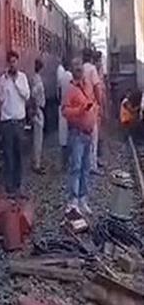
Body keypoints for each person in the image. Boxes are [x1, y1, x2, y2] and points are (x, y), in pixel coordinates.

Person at [62, 57, 96, 215]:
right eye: (76, 67)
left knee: (85, 168)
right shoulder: (70, 90)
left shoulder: (87, 86)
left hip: (88, 133)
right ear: (72, 70)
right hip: (77, 133)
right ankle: (73, 201)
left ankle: (83, 199)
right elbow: (65, 111)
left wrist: (94, 114)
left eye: (80, 66)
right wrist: (80, 110)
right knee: (76, 168)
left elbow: (93, 101)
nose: (79, 69)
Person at [0, 50, 30, 197]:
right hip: (7, 121)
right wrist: (6, 80)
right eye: (10, 62)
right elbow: (1, 97)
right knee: (8, 155)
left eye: (14, 62)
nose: (12, 65)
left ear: (17, 62)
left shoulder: (22, 77)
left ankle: (18, 185)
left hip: (19, 121)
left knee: (19, 155)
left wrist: (16, 82)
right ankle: (9, 187)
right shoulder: (2, 79)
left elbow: (26, 95)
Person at [82, 48, 103, 175]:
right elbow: (97, 87)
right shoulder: (92, 69)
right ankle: (92, 165)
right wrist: (99, 102)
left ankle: (84, 163)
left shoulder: (79, 69)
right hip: (91, 107)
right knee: (93, 138)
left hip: (81, 107)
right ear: (91, 58)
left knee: (82, 137)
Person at [31, 58, 46, 174]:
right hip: (38, 110)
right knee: (38, 139)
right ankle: (36, 164)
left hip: (38, 109)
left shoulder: (35, 78)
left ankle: (37, 162)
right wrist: (36, 109)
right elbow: (34, 94)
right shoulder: (37, 79)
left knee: (38, 138)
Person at [57, 57, 72, 167]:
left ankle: (63, 162)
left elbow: (59, 92)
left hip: (63, 107)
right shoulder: (71, 77)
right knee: (70, 135)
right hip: (71, 108)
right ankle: (70, 161)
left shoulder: (62, 78)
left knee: (63, 137)